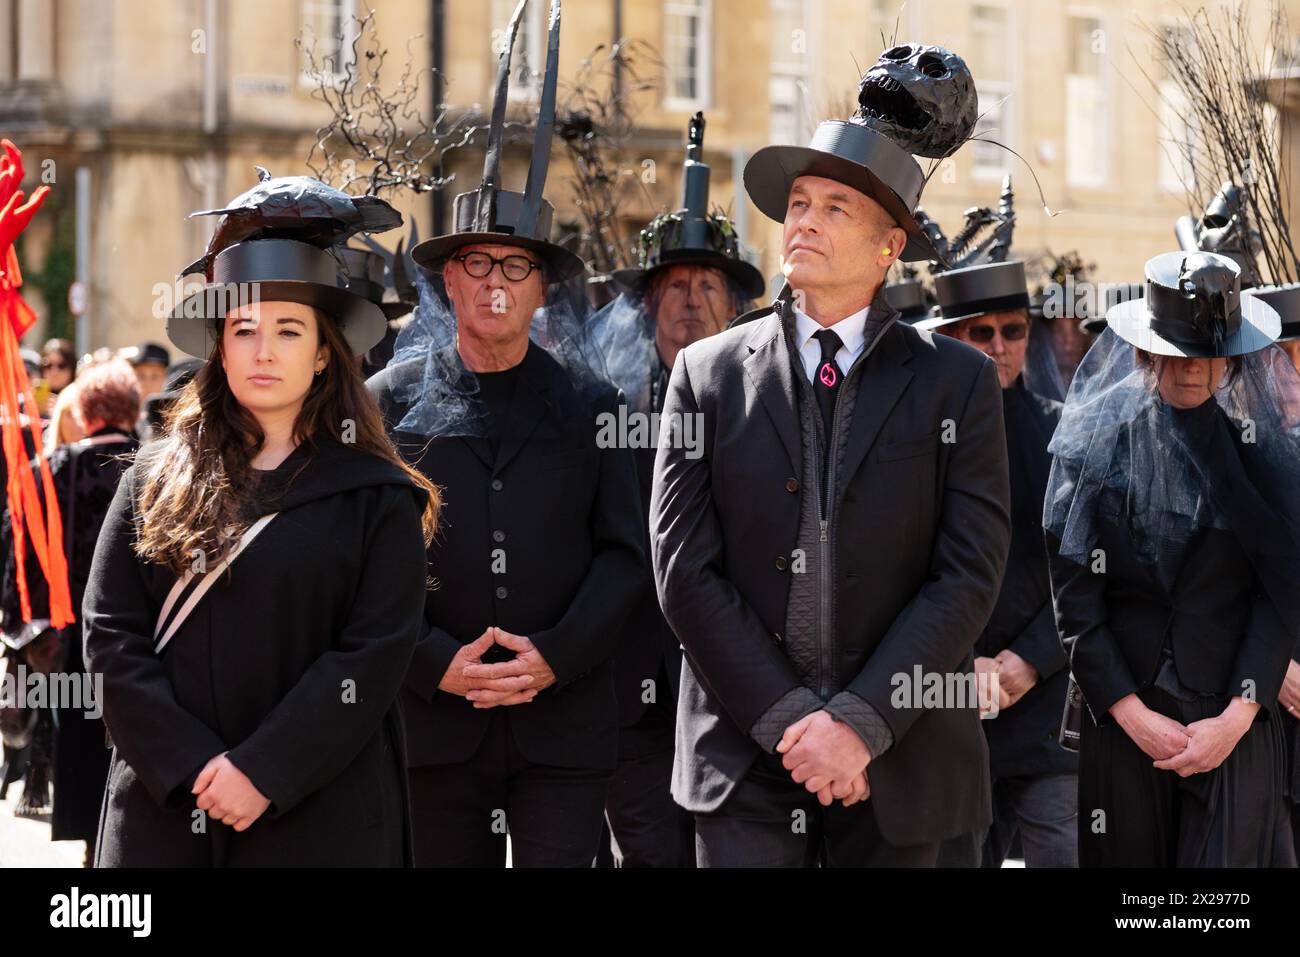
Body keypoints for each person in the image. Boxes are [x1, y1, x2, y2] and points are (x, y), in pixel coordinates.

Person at [651, 46, 1011, 866]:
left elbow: (968, 574)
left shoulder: (958, 382)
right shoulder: (706, 374)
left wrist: (860, 722)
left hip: (907, 764)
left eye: (835, 208)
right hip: (744, 763)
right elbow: (682, 570)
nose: (804, 221)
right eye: (798, 204)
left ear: (890, 247)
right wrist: (793, 723)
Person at [83, 182, 438, 867]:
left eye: (289, 330)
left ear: (326, 350)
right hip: (166, 808)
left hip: (321, 818)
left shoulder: (378, 498)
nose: (263, 351)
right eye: (243, 329)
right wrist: (189, 763)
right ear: (220, 346)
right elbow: (110, 638)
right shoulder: (149, 479)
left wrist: (264, 771)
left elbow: (371, 657)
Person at [368, 1, 645, 868]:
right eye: (478, 264)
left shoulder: (594, 404)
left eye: (516, 267)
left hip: (562, 728)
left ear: (540, 288)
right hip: (431, 726)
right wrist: (430, 660)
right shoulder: (385, 403)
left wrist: (555, 656)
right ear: (449, 281)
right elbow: (361, 561)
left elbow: (626, 555)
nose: (496, 283)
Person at [1047, 250, 1300, 867]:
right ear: (1145, 352)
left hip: (1235, 723)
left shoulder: (1262, 456)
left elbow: (1279, 595)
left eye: (1210, 352)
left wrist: (1236, 718)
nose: (1193, 366)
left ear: (1232, 359)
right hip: (1125, 719)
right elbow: (1075, 601)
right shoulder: (1095, 450)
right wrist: (1132, 715)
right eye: (1178, 349)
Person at [590, 112, 765, 868]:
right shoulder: (609, 408)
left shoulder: (764, 408)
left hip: (739, 695)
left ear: (733, 304)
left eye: (708, 284)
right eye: (675, 285)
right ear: (650, 302)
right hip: (633, 696)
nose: (691, 300)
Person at [919, 259, 1077, 867]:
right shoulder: (911, 441)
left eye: (1013, 330)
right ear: (949, 338)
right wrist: (963, 664)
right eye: (981, 332)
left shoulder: (1064, 436)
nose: (1000, 347)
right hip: (943, 704)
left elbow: (1089, 568)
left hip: (1045, 709)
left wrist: (1031, 659)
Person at [0, 359, 140, 863]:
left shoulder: (53, 468)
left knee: (79, 737)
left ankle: (90, 843)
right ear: (131, 408)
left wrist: (23, 623)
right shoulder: (157, 464)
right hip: (143, 635)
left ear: (85, 410)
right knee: (130, 738)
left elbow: (20, 550)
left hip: (71, 635)